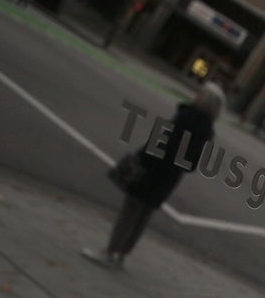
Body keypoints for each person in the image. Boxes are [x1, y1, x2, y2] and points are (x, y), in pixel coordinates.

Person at [84, 83, 224, 268]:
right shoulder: (207, 132)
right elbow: (191, 165)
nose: (196, 95)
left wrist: (142, 157)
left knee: (130, 212)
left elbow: (163, 141)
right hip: (170, 177)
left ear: (204, 100)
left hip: (153, 169)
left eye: (200, 93)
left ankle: (110, 251)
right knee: (143, 216)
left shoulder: (186, 117)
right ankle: (122, 254)